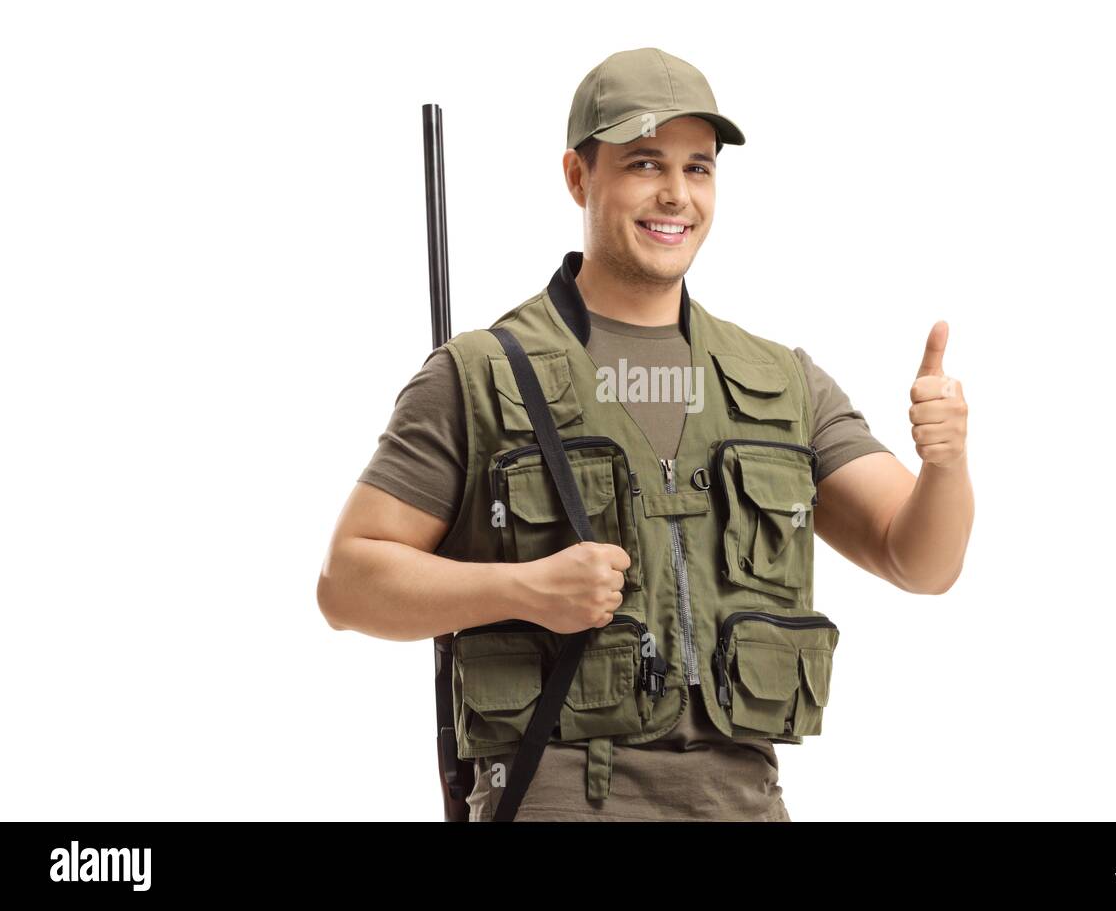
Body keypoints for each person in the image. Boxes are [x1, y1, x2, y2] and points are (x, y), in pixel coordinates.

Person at [317, 47, 975, 821]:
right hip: (557, 798)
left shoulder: (778, 382)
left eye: (698, 168)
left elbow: (920, 561)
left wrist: (946, 464)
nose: (675, 195)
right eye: (643, 163)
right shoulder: (480, 375)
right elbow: (348, 584)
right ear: (577, 176)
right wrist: (522, 590)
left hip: (743, 802)